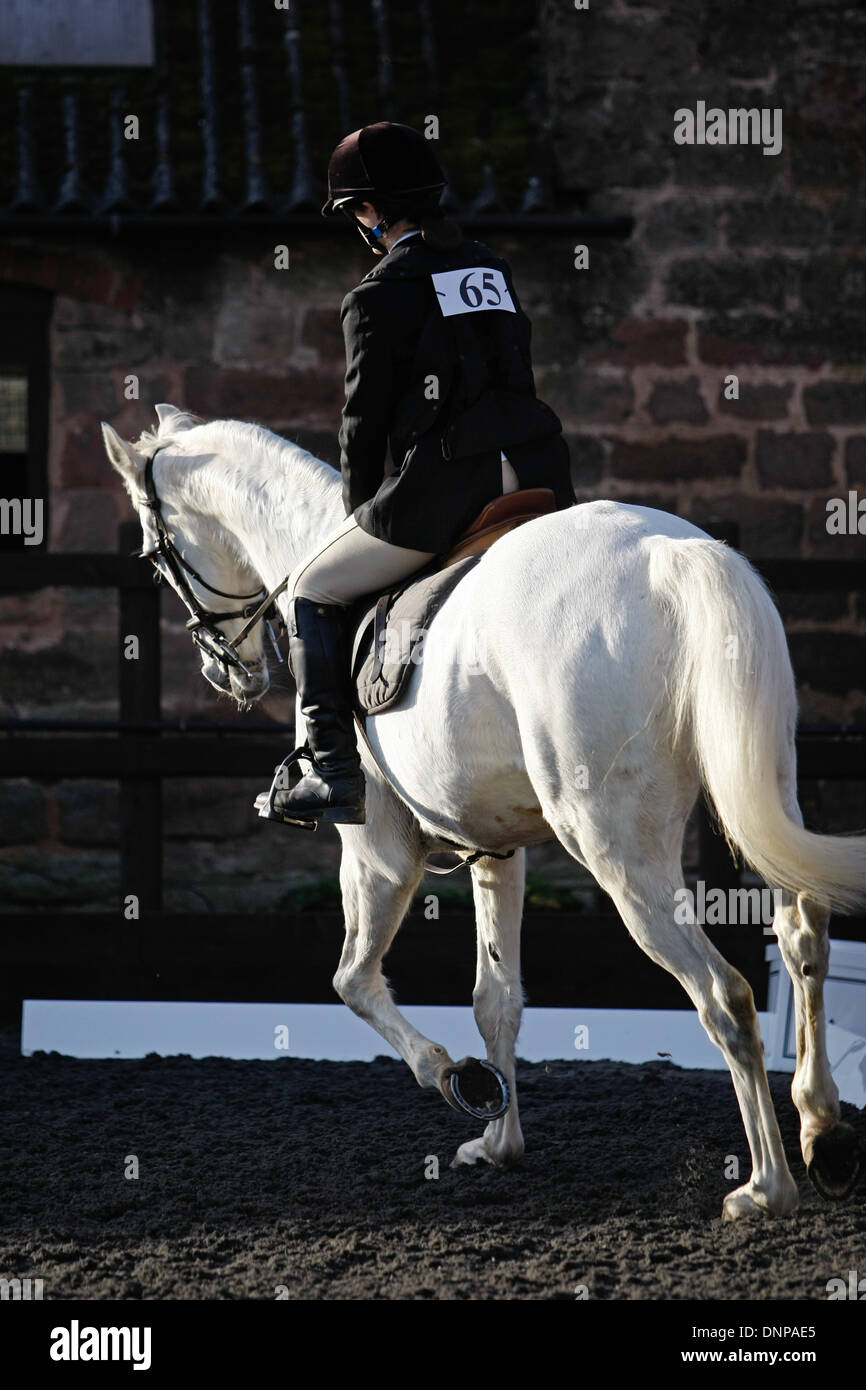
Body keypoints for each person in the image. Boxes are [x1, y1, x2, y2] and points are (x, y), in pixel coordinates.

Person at [258, 121, 575, 829]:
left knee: (313, 587)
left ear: (368, 211)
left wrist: (363, 509)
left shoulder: (375, 295)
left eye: (355, 214)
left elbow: (362, 428)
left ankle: (330, 772)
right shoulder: (491, 268)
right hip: (537, 473)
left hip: (445, 492)